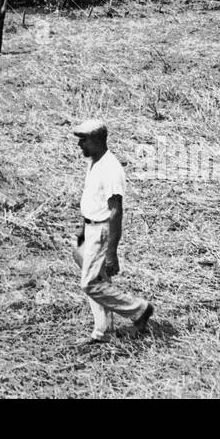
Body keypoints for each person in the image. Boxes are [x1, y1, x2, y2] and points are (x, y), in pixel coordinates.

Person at [72, 120, 153, 343]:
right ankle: (103, 331)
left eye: (83, 140)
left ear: (97, 141)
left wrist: (111, 251)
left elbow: (116, 212)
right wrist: (83, 233)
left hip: (102, 231)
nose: (79, 144)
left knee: (90, 284)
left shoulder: (111, 169)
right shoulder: (94, 161)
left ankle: (138, 309)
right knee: (97, 279)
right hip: (91, 228)